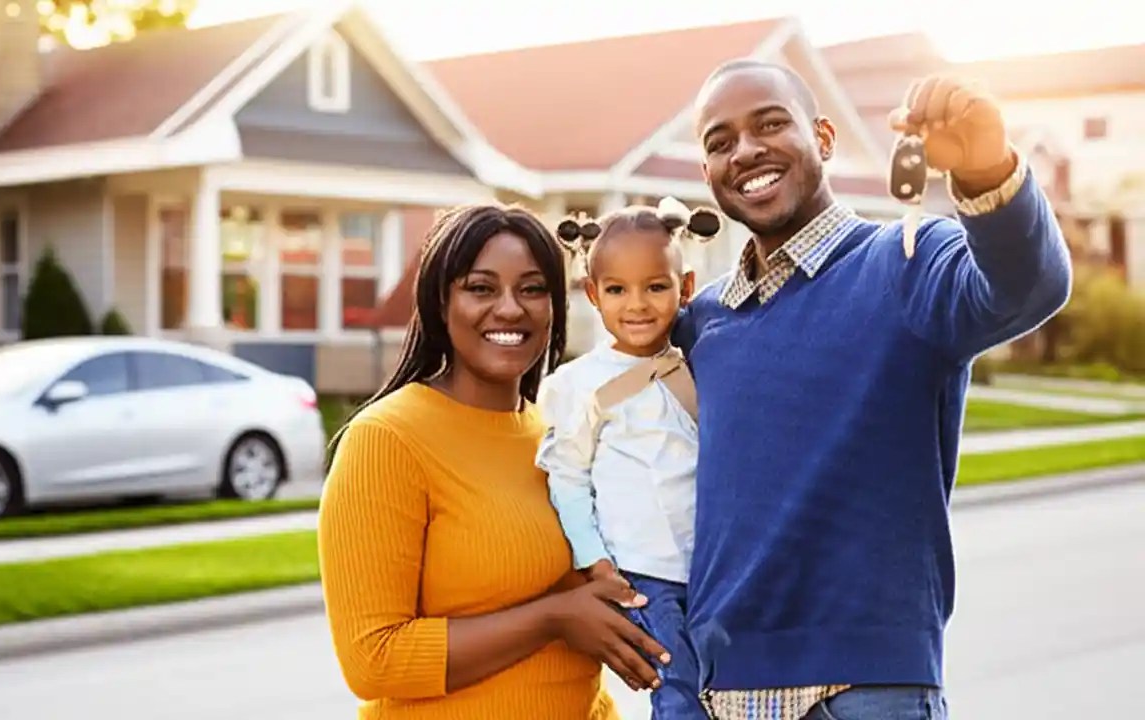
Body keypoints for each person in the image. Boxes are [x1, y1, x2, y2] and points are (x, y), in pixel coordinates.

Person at [673, 61, 1073, 720]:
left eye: (770, 124)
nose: (745, 150)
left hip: (864, 693)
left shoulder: (908, 261)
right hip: (721, 696)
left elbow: (1030, 285)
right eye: (720, 142)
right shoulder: (702, 323)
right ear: (708, 174)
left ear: (824, 138)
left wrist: (987, 170)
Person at [318, 203, 671, 720]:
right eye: (481, 288)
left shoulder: (560, 431)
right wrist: (553, 618)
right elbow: (374, 660)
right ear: (441, 302)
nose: (509, 309)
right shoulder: (387, 439)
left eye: (532, 289)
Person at [536, 198, 721, 719]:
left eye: (655, 287)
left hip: (711, 566)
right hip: (643, 575)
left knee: (727, 687)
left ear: (684, 288)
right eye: (617, 289)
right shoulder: (580, 385)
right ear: (593, 295)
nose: (637, 304)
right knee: (679, 691)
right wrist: (595, 562)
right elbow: (567, 479)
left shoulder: (700, 366)